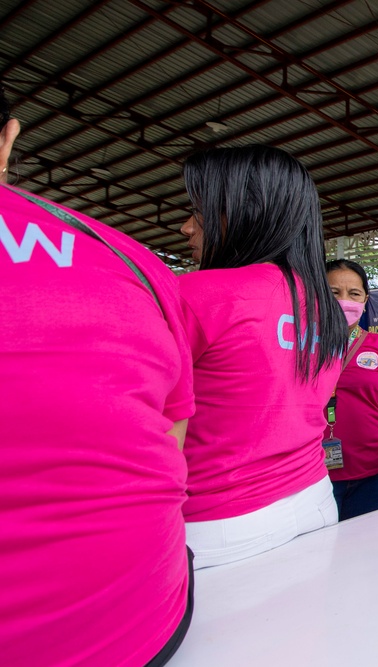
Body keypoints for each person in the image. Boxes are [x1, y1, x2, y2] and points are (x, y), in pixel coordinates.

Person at [1, 104, 194, 666]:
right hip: (138, 619)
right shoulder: (129, 261)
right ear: (9, 138)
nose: (186, 227)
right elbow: (173, 428)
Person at [179, 145, 348, 569]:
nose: (186, 228)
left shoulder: (198, 296)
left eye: (199, 212)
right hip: (315, 503)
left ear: (243, 213)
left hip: (218, 527)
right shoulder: (325, 309)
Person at [325, 259, 378, 520]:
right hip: (314, 475)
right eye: (334, 293)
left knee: (365, 542)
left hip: (373, 471)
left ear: (365, 300)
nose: (344, 301)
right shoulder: (301, 346)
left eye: (354, 294)